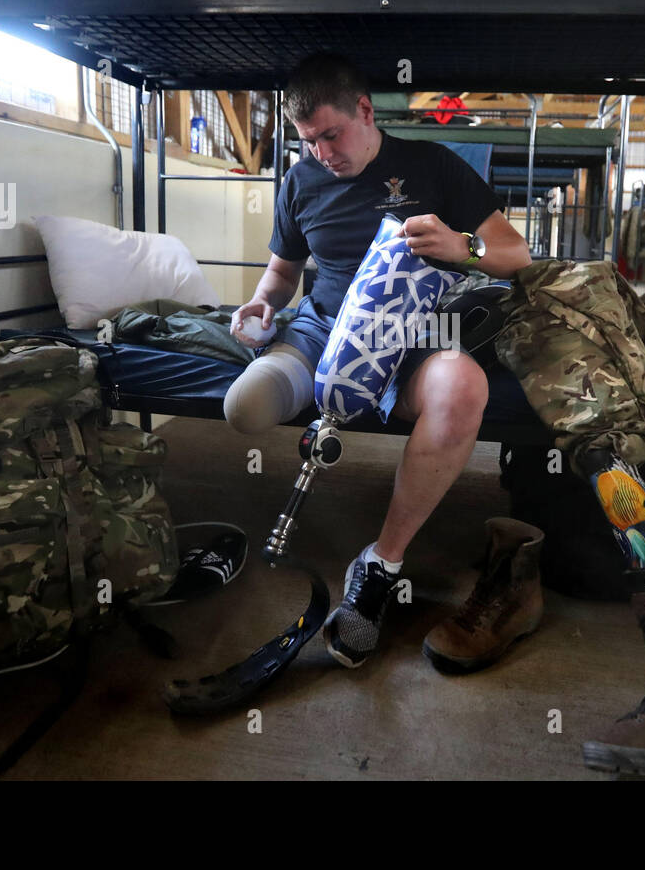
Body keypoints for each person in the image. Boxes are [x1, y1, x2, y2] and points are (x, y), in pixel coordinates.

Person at [224, 52, 540, 672]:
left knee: (463, 388)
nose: (322, 153)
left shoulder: (432, 165)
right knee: (244, 409)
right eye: (308, 141)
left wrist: (463, 246)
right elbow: (281, 274)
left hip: (415, 334)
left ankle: (379, 564)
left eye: (332, 135)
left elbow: (516, 253)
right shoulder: (300, 182)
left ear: (365, 111)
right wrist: (259, 307)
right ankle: (331, 392)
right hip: (322, 328)